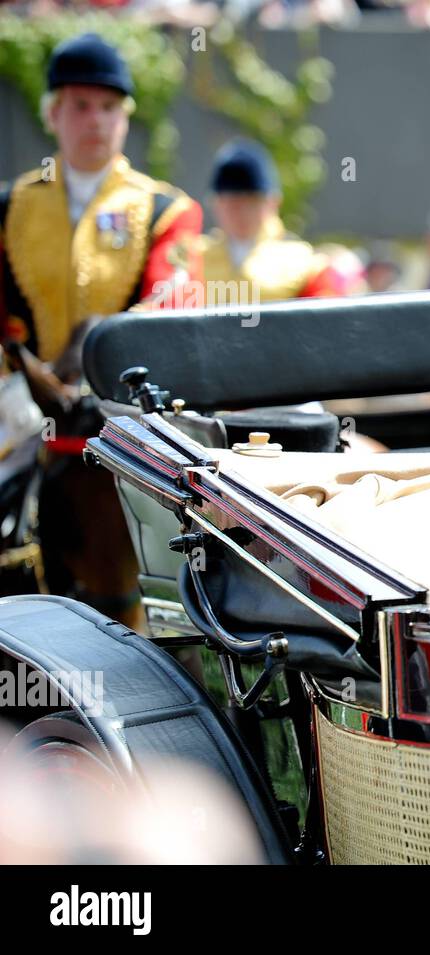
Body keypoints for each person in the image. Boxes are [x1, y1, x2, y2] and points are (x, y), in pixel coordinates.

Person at [0, 33, 204, 628]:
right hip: (23, 399)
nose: (97, 121)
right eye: (82, 105)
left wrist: (106, 360)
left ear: (126, 117)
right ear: (53, 114)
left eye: (109, 107)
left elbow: (174, 296)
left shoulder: (166, 208)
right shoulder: (10, 205)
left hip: (124, 403)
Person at [198, 138, 346, 302]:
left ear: (273, 202)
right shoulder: (193, 258)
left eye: (251, 203)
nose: (241, 212)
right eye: (232, 204)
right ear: (215, 204)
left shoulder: (303, 265)